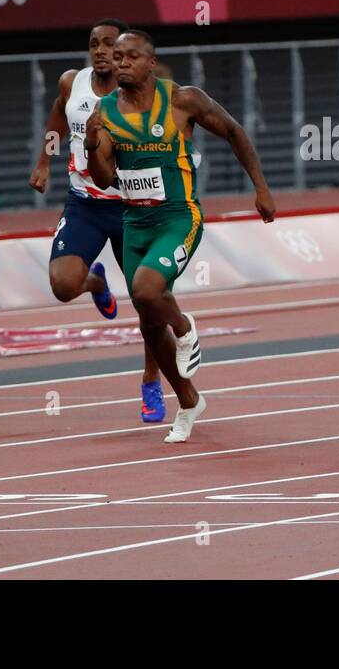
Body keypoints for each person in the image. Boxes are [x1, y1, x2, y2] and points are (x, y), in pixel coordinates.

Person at [84, 31, 276, 442]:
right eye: (116, 57)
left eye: (131, 57)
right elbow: (104, 177)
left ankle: (186, 328)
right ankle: (189, 402)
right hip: (134, 223)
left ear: (151, 63)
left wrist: (260, 187)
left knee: (148, 289)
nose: (120, 63)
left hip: (178, 219)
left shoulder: (182, 100)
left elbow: (233, 131)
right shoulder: (103, 112)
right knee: (148, 323)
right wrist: (90, 143)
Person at [29, 20, 166, 423]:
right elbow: (58, 113)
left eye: (111, 45)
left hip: (131, 208)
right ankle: (96, 281)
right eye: (95, 44)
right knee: (62, 285)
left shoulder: (139, 95)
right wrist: (44, 161)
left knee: (147, 304)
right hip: (84, 203)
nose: (102, 51)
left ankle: (150, 383)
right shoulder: (73, 83)